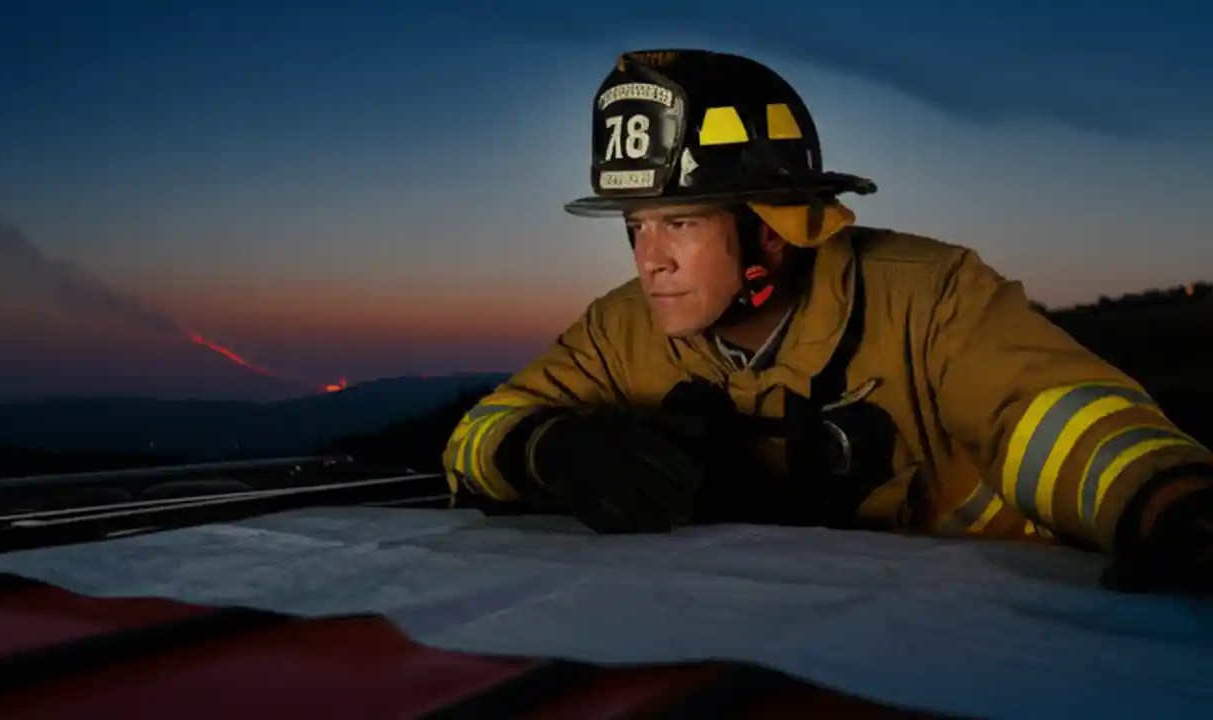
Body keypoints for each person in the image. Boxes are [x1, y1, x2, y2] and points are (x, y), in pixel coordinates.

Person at [441, 49, 1213, 594]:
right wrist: (546, 449)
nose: (650, 261)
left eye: (680, 223)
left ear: (772, 229)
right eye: (635, 226)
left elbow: (1053, 416)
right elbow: (475, 437)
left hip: (980, 629)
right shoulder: (620, 329)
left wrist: (1167, 502)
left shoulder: (929, 296)